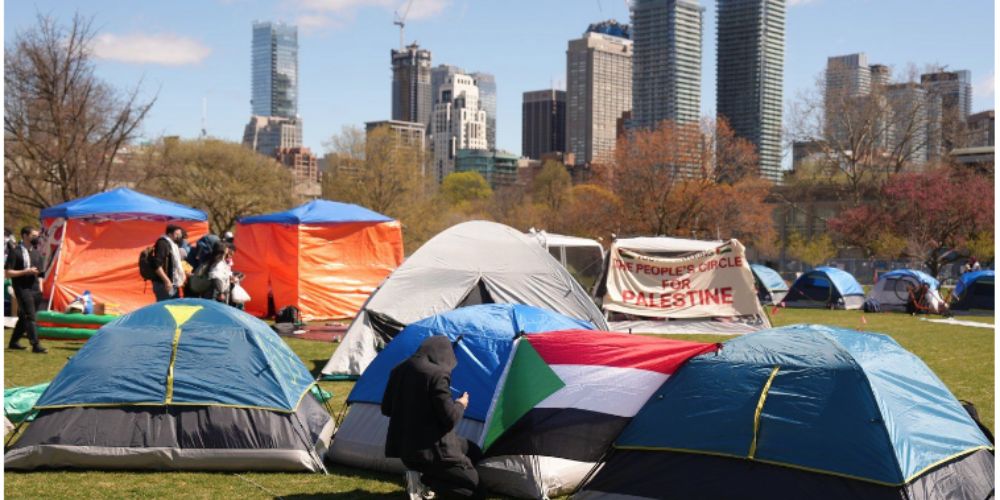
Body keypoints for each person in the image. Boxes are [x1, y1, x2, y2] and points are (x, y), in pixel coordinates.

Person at [382, 336, 483, 499]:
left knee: (473, 451)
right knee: (475, 491)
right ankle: (427, 483)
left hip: (406, 449)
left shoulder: (398, 369)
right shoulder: (437, 374)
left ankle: (424, 478)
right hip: (433, 451)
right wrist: (460, 404)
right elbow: (450, 418)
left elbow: (386, 409)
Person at [4, 227, 47, 353]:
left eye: (37, 235)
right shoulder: (15, 251)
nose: (37, 237)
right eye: (33, 235)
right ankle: (36, 345)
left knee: (24, 316)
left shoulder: (36, 253)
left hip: (35, 289)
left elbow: (40, 274)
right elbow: (8, 273)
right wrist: (25, 271)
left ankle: (13, 342)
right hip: (22, 288)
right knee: (30, 316)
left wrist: (40, 288)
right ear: (24, 235)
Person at [153, 225, 186, 302]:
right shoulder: (163, 244)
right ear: (169, 234)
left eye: (180, 234)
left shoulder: (173, 244)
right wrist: (167, 281)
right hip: (163, 284)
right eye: (176, 234)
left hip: (173, 282)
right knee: (166, 307)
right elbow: (157, 265)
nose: (179, 237)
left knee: (174, 306)